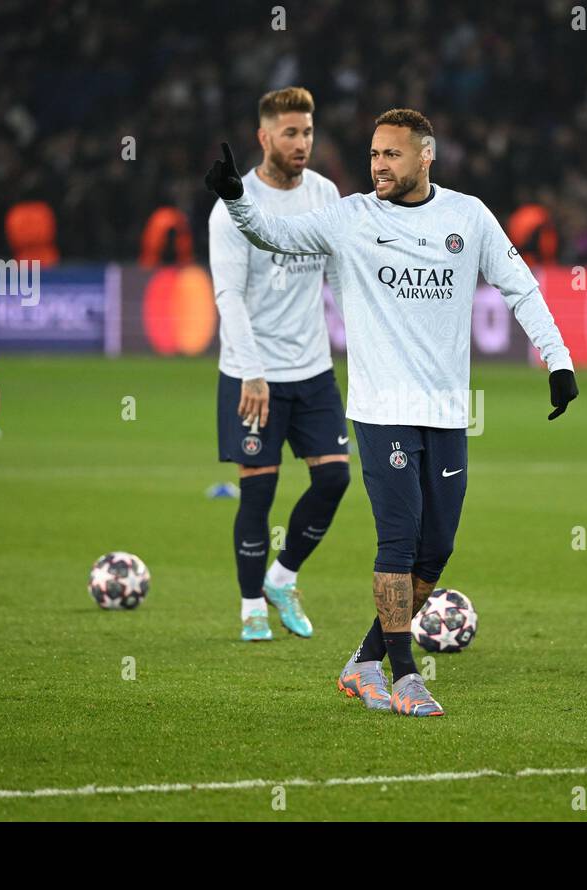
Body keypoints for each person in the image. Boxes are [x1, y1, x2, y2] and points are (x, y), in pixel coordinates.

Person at [206, 108, 578, 714]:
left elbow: (519, 284)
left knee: (437, 550)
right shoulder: (351, 218)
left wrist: (557, 359)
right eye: (374, 154)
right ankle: (404, 674)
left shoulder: (468, 216)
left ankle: (363, 662)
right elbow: (277, 235)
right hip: (382, 409)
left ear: (425, 156)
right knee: (399, 544)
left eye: (392, 155)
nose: (378, 165)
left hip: (448, 409)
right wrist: (236, 200)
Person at [208, 87, 351, 642]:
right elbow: (229, 296)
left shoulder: (325, 194)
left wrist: (361, 342)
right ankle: (250, 608)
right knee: (259, 492)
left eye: (308, 132)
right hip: (254, 373)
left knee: (335, 477)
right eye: (290, 133)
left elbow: (338, 275)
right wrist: (251, 370)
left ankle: (282, 576)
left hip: (313, 370)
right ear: (263, 137)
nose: (302, 143)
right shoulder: (234, 204)